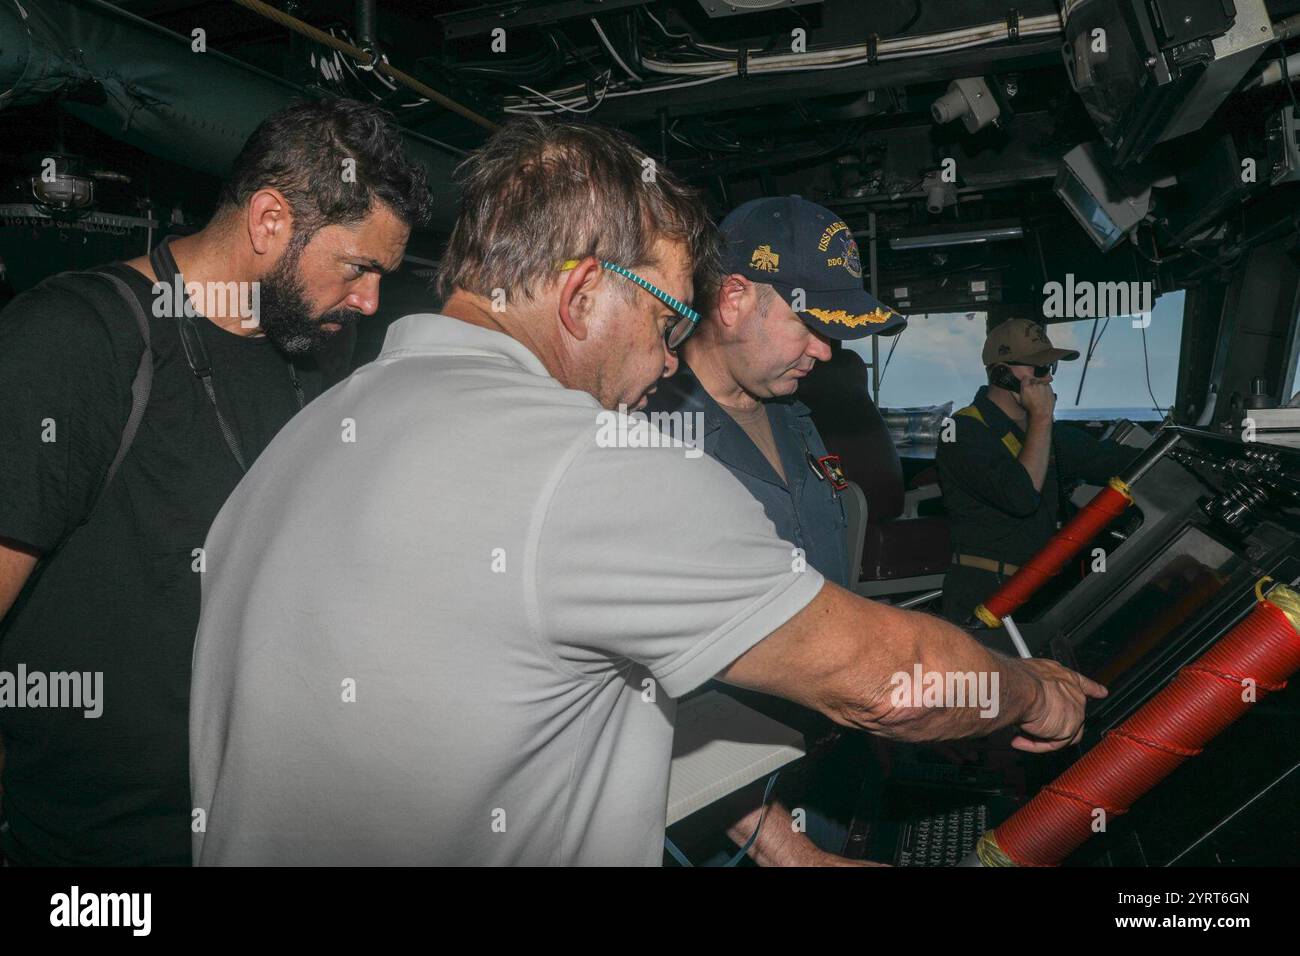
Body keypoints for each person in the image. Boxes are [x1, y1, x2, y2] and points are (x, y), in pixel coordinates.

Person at [189, 116, 1104, 867]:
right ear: (585, 293)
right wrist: (1030, 694)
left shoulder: (304, 438)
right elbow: (887, 684)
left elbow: (513, 707)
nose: (669, 359)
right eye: (667, 319)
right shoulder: (591, 462)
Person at [0, 97, 430, 865]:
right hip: (102, 856)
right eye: (359, 267)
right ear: (269, 220)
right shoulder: (74, 341)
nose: (369, 300)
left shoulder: (317, 346)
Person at [645, 195, 905, 865]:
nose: (825, 350)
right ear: (734, 299)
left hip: (818, 756)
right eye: (809, 324)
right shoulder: (644, 434)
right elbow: (649, 686)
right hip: (722, 802)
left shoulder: (793, 415)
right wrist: (783, 849)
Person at [936, 318, 1140, 636]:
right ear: (1001, 373)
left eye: (1049, 369)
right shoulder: (962, 432)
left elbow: (1116, 462)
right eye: (1038, 370)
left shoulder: (1050, 434)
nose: (1047, 380)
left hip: (1042, 592)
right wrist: (1042, 417)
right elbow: (1021, 496)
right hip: (987, 597)